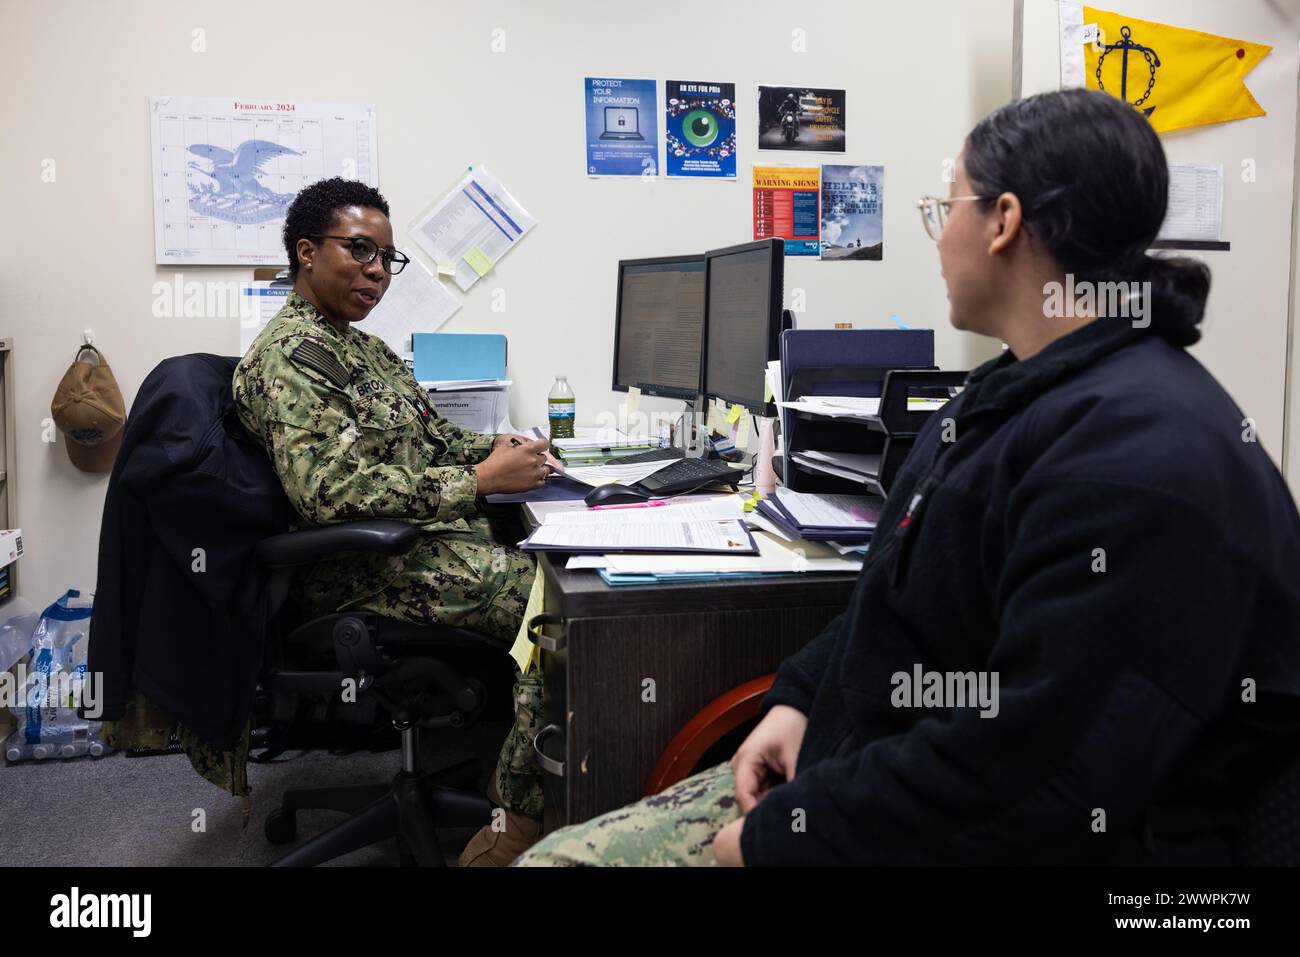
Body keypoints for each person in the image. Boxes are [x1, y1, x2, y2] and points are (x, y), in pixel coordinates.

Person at [515, 89, 1300, 866]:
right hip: (873, 769)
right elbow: (895, 593)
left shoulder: (1141, 454)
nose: (936, 234)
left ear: (1003, 222)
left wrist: (784, 841)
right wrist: (800, 695)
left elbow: (1036, 773)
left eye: (943, 206)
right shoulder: (1013, 392)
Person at [234, 178, 553, 835]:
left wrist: (501, 449)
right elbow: (332, 493)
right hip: (357, 575)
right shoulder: (292, 359)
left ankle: (520, 761)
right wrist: (482, 480)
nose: (377, 271)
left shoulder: (361, 347)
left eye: (386, 257)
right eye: (358, 250)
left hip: (411, 545)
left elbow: (431, 439)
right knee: (556, 603)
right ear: (306, 252)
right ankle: (521, 808)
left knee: (557, 560)